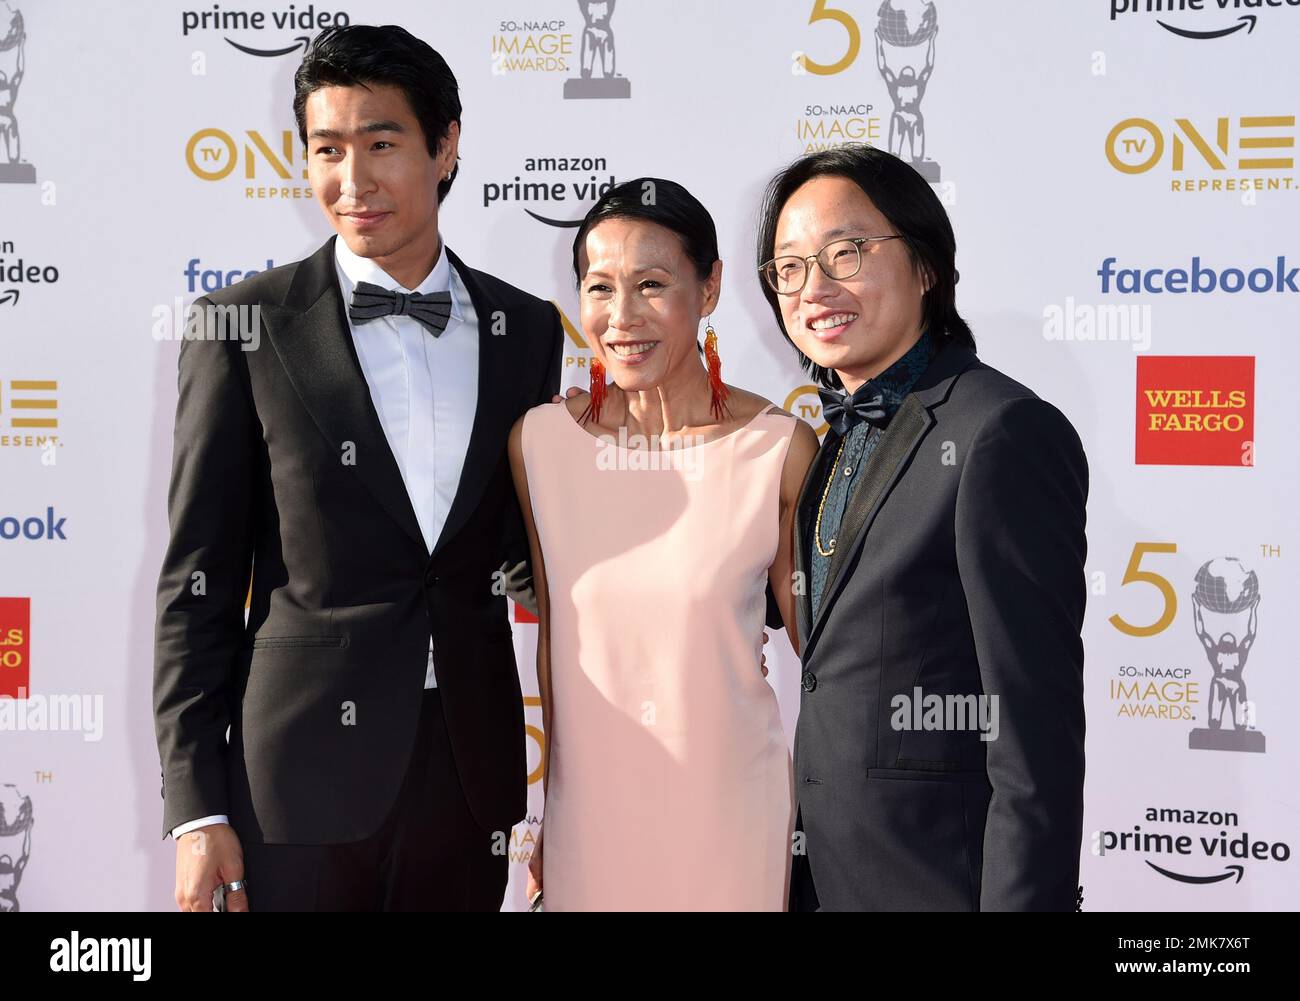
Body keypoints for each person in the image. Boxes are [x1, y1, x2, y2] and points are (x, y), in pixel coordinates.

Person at [153, 24, 562, 911]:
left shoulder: (527, 329)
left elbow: (522, 548)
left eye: (382, 143)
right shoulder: (243, 325)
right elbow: (198, 581)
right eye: (327, 149)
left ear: (445, 143)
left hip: (469, 770)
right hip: (295, 779)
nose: (352, 179)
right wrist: (194, 810)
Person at [755, 144, 1088, 911]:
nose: (816, 289)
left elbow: (1032, 732)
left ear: (927, 265)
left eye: (846, 252)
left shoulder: (1000, 431)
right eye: (791, 268)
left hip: (939, 884)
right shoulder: (831, 435)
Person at [508, 178, 819, 910]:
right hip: (592, 819)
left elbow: (828, 659)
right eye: (600, 287)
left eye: (651, 284)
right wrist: (551, 814)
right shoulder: (541, 445)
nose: (621, 318)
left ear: (709, 289)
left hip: (732, 815)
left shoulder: (777, 449)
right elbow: (555, 644)